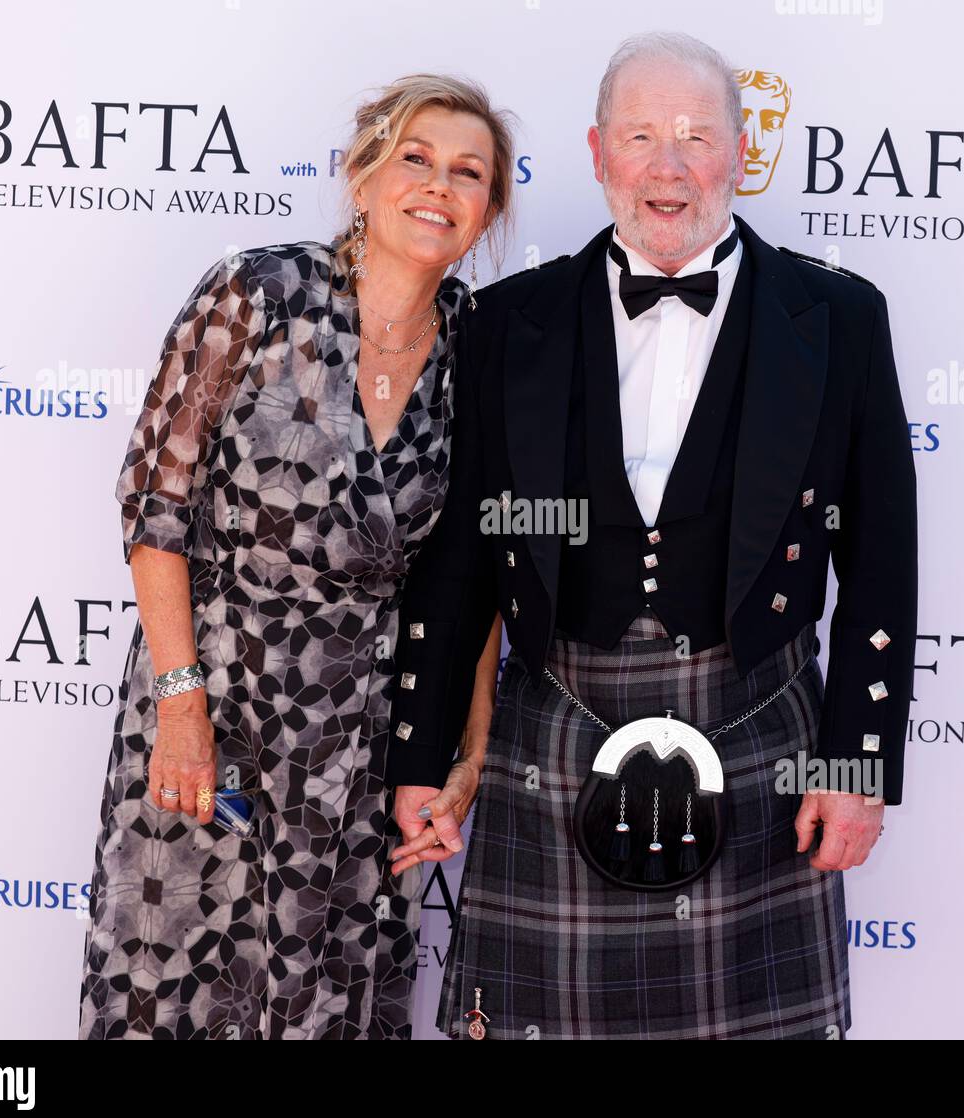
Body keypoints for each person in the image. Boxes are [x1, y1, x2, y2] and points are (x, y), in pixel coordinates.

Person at [388, 31, 918, 1040]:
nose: (667, 169)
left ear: (740, 151)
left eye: (694, 137)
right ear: (596, 154)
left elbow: (881, 568)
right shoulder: (507, 322)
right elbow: (462, 560)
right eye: (639, 137)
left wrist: (855, 764)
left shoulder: (838, 318)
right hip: (552, 731)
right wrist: (417, 754)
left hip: (759, 729)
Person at [78, 74, 514, 1039]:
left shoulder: (476, 347)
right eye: (415, 158)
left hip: (367, 736)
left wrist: (467, 745)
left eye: (468, 172)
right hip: (218, 715)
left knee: (333, 1000)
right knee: (179, 982)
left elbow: (475, 571)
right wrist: (179, 708)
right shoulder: (261, 293)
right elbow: (155, 510)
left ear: (488, 211)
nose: (438, 185)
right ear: (362, 177)